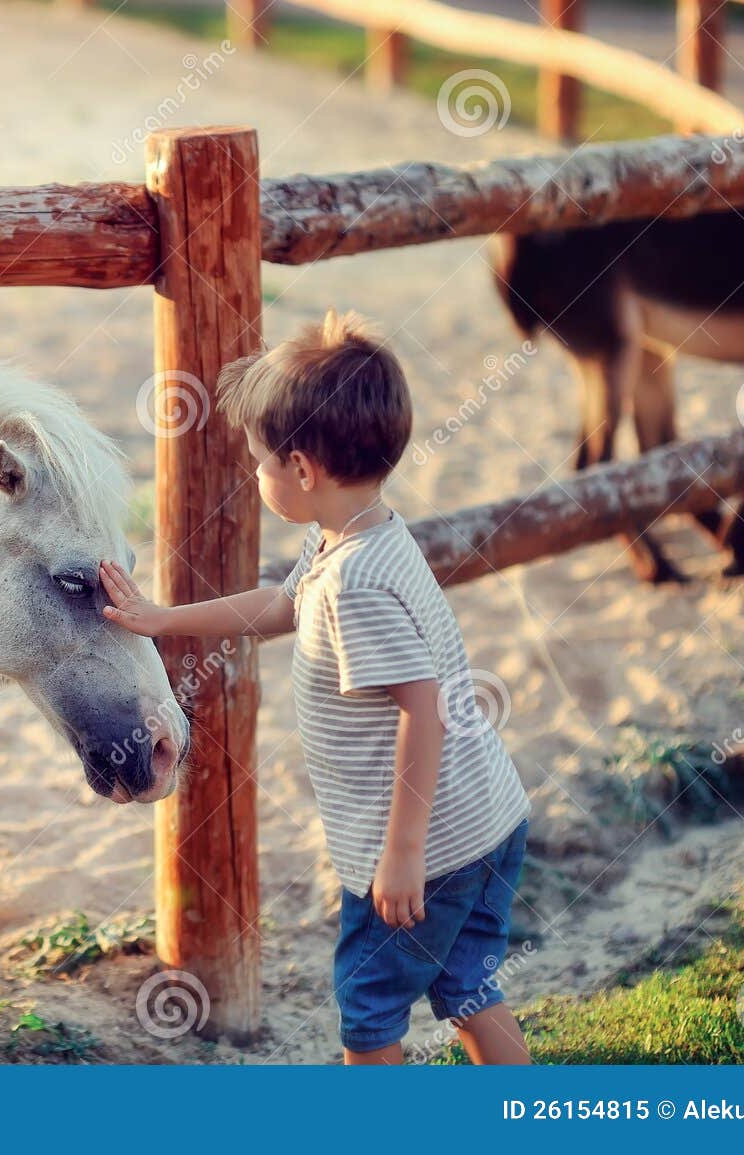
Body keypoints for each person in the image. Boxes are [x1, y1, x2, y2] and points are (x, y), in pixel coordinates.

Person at [99, 312, 531, 1064]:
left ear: (302, 469)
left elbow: (420, 712)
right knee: (467, 987)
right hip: (487, 818)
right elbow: (280, 604)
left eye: (260, 462)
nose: (256, 474)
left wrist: (401, 856)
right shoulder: (361, 535)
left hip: (428, 847)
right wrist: (161, 618)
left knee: (369, 1014)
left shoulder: (354, 584)